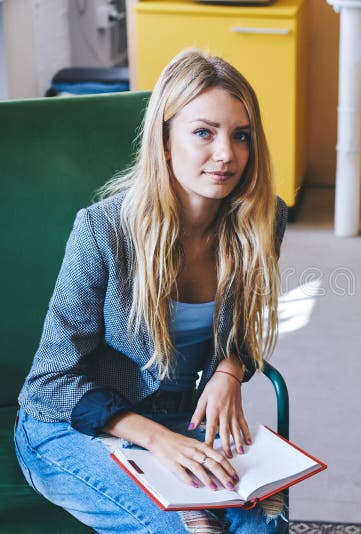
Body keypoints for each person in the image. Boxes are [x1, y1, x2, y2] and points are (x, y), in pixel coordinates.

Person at [14, 49, 288, 533]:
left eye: (240, 135)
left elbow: (245, 321)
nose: (227, 154)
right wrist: (156, 440)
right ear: (165, 141)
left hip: (178, 419)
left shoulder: (263, 220)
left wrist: (229, 368)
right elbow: (48, 383)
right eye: (204, 132)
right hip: (71, 427)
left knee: (262, 526)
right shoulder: (103, 231)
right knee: (185, 529)